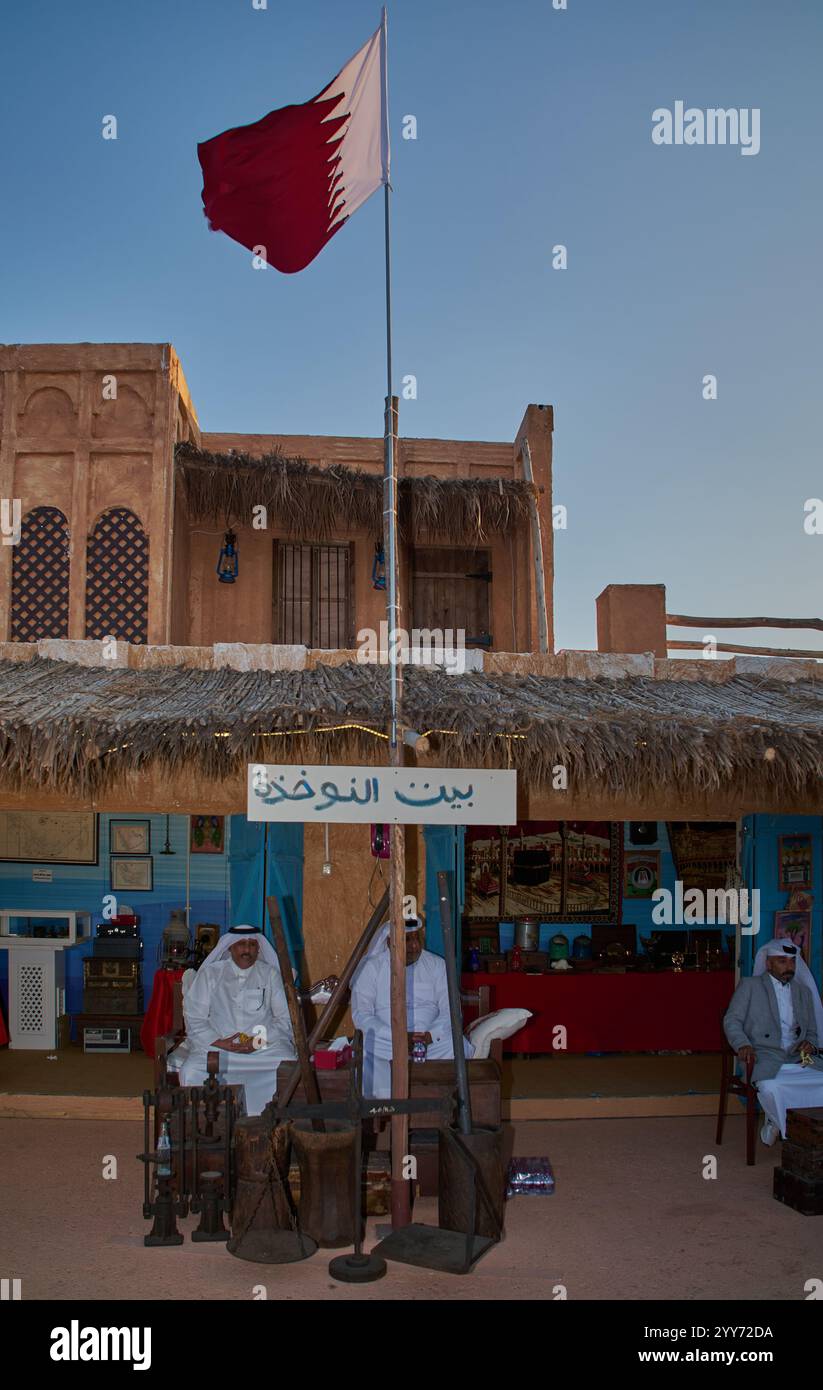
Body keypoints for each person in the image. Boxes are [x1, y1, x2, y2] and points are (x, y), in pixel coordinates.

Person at [177, 925, 297, 1116]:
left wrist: (256, 1042)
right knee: (191, 1070)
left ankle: (270, 1121)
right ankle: (206, 1123)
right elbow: (195, 1017)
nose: (247, 950)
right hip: (220, 1049)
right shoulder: (211, 974)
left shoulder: (270, 974)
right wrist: (220, 1042)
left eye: (251, 944)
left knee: (289, 1065)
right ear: (230, 947)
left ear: (259, 949)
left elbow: (285, 1019)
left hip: (263, 1050)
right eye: (241, 944)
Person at [350, 916, 474, 1098]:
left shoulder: (437, 965)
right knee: (367, 1051)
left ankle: (443, 1102)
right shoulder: (371, 968)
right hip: (387, 1042)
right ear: (391, 942)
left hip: (430, 1043)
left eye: (417, 938)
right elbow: (361, 1015)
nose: (415, 945)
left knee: (457, 1046)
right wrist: (397, 1037)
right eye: (408, 940)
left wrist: (430, 1035)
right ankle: (383, 1109)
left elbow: (451, 1010)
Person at [723, 939, 823, 1145]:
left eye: (792, 962)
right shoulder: (750, 986)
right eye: (782, 961)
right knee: (771, 1088)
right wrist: (742, 1044)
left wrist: (810, 1044)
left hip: (797, 1058)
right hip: (762, 1057)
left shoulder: (803, 992)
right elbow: (732, 1020)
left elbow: (812, 1031)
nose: (789, 967)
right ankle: (784, 1128)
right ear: (768, 964)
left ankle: (802, 1132)